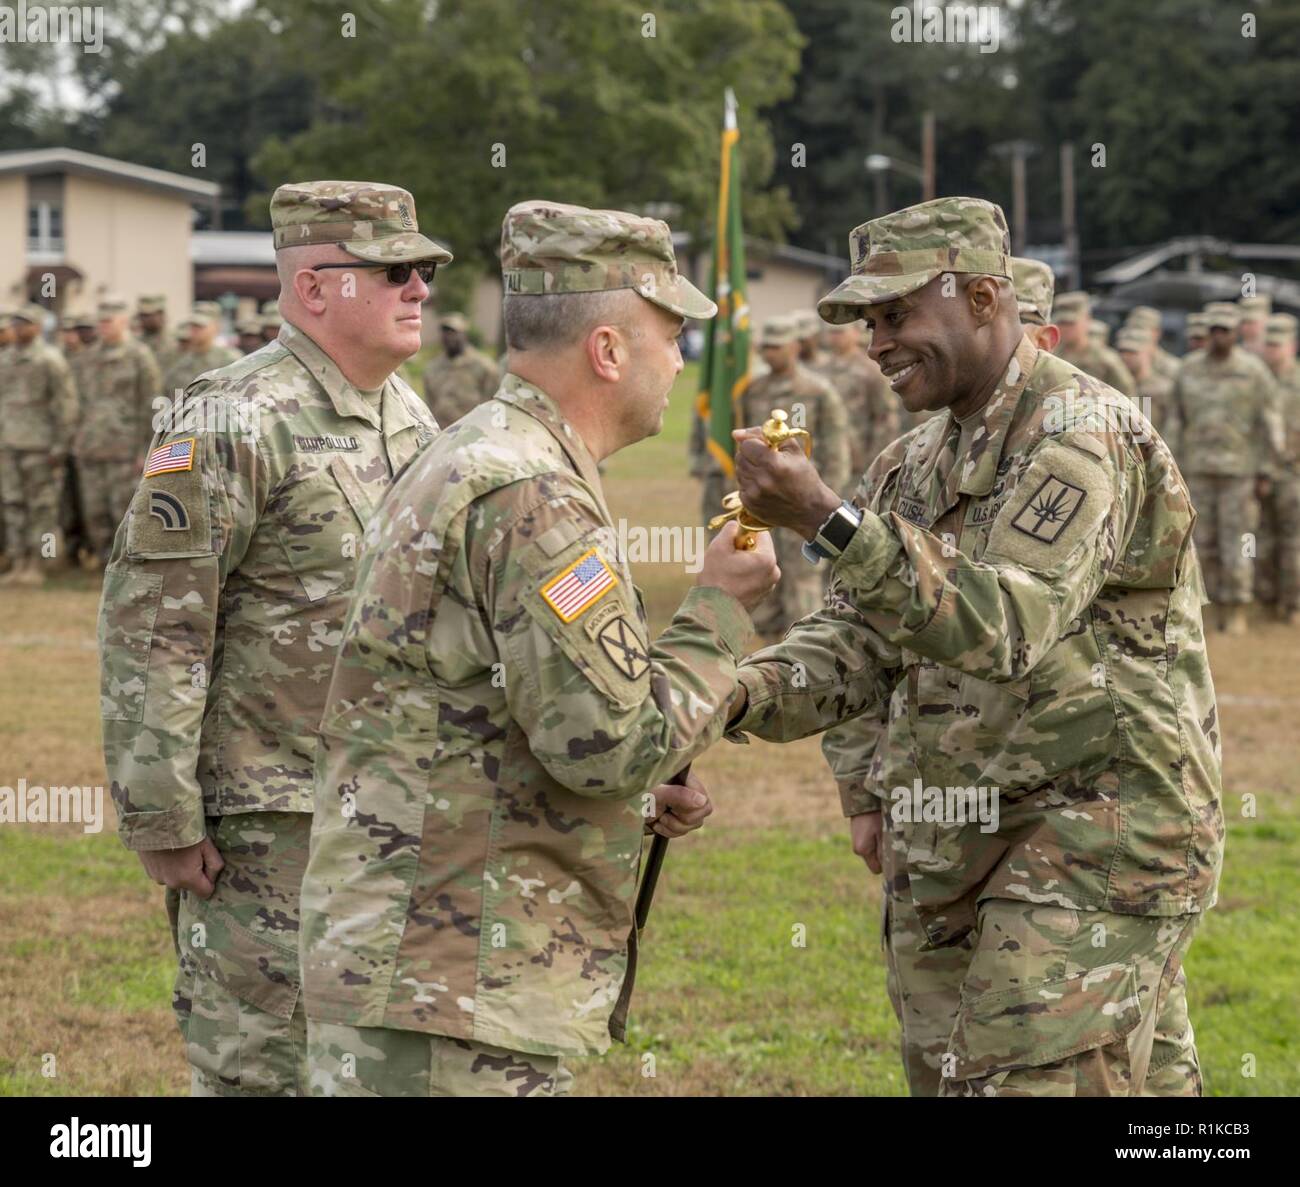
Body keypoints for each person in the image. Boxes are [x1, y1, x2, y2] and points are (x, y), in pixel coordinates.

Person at [727, 196, 1222, 1097]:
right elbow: (855, 644)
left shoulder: (1080, 434)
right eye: (869, 321)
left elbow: (1008, 623)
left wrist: (825, 518)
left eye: (897, 314)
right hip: (955, 835)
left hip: (1090, 834)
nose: (877, 342)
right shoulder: (910, 463)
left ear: (987, 298)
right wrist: (719, 697)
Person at [298, 198, 778, 1098]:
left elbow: (492, 717)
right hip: (455, 984)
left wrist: (640, 797)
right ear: (607, 350)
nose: (682, 361)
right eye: (671, 334)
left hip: (419, 964)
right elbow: (603, 748)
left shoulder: (480, 450)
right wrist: (719, 607)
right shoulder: (532, 492)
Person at [97, 180, 445, 1096]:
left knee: (375, 1063)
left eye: (424, 271)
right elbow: (154, 626)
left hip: (392, 808)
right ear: (317, 286)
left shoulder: (413, 414)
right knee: (265, 1066)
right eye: (396, 270)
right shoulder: (226, 418)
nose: (420, 289)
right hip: (269, 821)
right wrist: (162, 818)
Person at [1170, 302, 1284, 634]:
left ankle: (1236, 607)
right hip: (1197, 469)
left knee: (1237, 542)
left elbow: (1270, 421)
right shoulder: (1188, 369)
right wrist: (1171, 466)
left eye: (1225, 330)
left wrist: (1266, 470)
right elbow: (1175, 420)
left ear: (1236, 333)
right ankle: (1205, 605)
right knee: (1199, 542)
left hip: (1239, 472)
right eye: (1214, 330)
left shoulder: (1253, 371)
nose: (1219, 336)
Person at [740, 313, 849, 641]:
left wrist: (823, 501)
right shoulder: (753, 390)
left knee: (803, 583)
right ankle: (774, 650)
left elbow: (836, 449)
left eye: (777, 346)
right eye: (766, 347)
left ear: (794, 347)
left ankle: (808, 649)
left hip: (803, 504)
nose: (769, 353)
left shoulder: (818, 391)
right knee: (767, 579)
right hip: (765, 505)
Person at [73, 297, 161, 568]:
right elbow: (78, 402)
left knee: (123, 509)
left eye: (108, 321)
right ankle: (102, 560)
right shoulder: (87, 357)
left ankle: (127, 563)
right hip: (92, 446)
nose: (103, 326)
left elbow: (151, 405)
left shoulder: (139, 356)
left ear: (123, 322)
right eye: (100, 321)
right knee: (94, 509)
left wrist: (145, 450)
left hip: (125, 448)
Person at [0, 306, 77, 587]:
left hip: (39, 446)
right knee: (13, 504)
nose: (19, 329)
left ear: (38, 327)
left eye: (25, 324)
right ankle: (18, 560)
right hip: (8, 444)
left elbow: (65, 405)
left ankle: (37, 563)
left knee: (41, 507)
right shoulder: (5, 359)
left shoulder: (50, 360)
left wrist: (60, 445)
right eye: (15, 323)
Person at [815, 320, 900, 483]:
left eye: (840, 332)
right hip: (826, 459)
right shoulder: (820, 369)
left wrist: (875, 460)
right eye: (831, 332)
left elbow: (885, 418)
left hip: (858, 460)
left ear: (855, 333)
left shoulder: (871, 370)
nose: (835, 337)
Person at [1261, 313, 1300, 624]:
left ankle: (1294, 603)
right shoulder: (1258, 380)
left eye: (1278, 345)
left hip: (1293, 474)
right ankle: (1266, 599)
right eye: (1268, 345)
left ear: (1292, 346)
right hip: (1260, 472)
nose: (1272, 351)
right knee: (1259, 538)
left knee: (1293, 540)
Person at [420, 310, 498, 424]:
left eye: (454, 332)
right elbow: (428, 404)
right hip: (439, 434)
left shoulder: (484, 366)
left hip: (471, 434)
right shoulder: (432, 368)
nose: (449, 337)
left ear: (464, 334)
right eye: (445, 332)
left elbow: (492, 404)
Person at [1051, 290, 1135, 395]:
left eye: (1071, 323)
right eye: (1061, 323)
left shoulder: (1105, 360)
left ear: (1087, 320)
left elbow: (1128, 394)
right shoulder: (1052, 355)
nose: (1065, 328)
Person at [160, 302, 240, 400]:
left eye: (201, 326)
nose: (195, 330)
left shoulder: (230, 361)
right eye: (193, 325)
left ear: (216, 327)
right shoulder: (178, 359)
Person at [1116, 325, 1176, 450]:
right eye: (1122, 351)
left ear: (1147, 352)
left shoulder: (1164, 389)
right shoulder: (1112, 388)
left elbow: (1173, 429)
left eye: (1133, 352)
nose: (1126, 357)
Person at [137, 295, 177, 376]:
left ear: (161, 315)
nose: (145, 319)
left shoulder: (175, 342)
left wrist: (178, 389)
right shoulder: (136, 343)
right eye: (143, 315)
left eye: (150, 315)